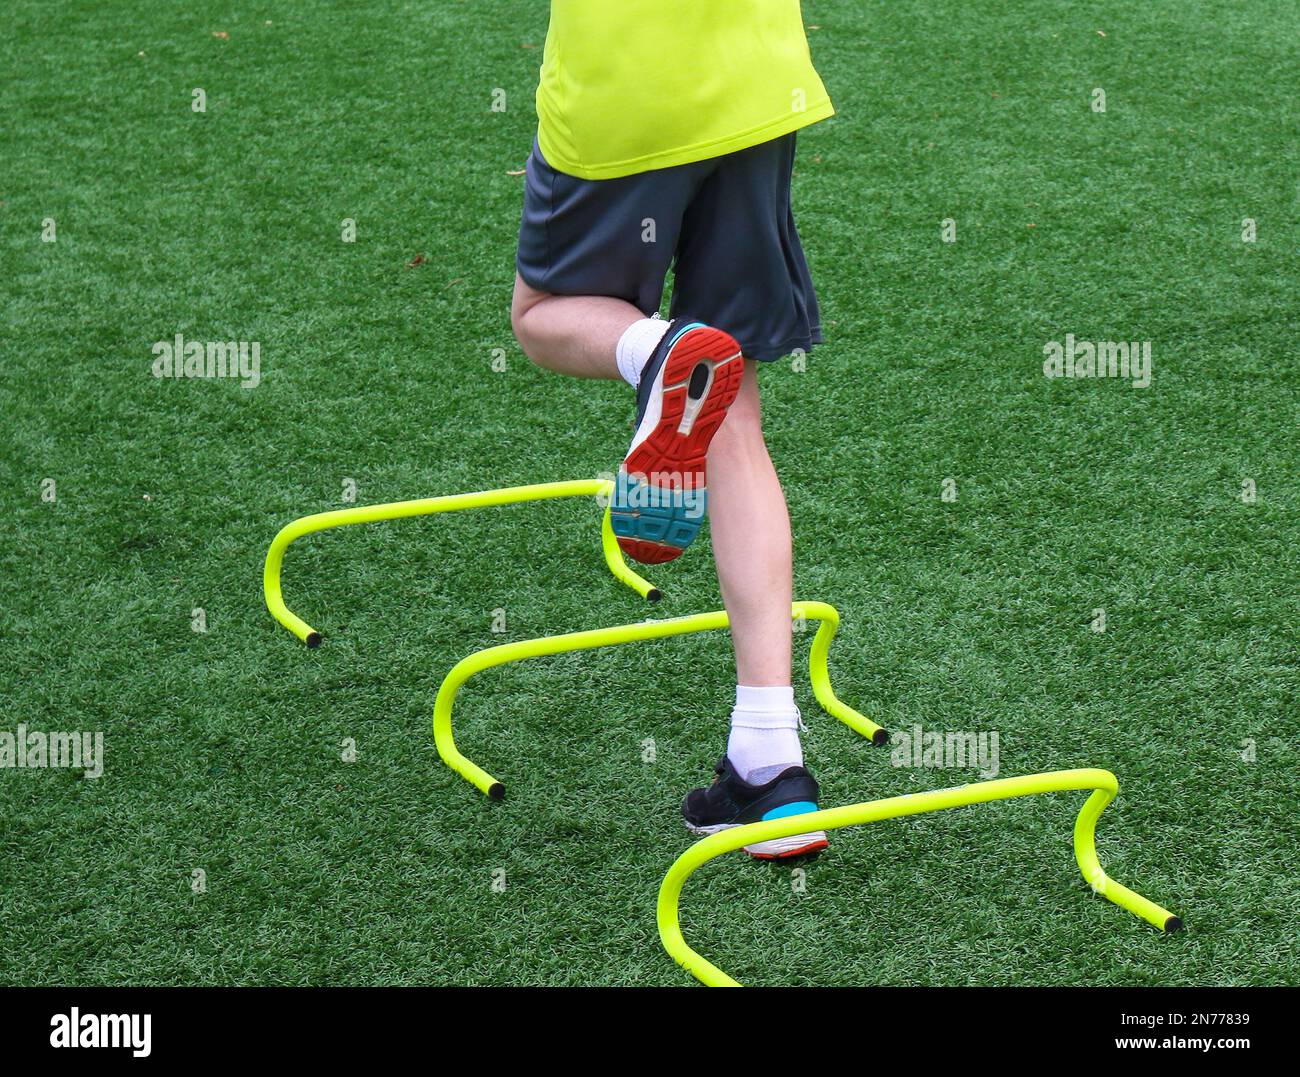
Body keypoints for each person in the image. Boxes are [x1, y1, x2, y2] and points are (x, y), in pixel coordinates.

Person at [511, 1, 834, 858]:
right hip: (756, 91)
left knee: (544, 316)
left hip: (625, 93)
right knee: (733, 411)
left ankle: (655, 354)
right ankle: (771, 763)